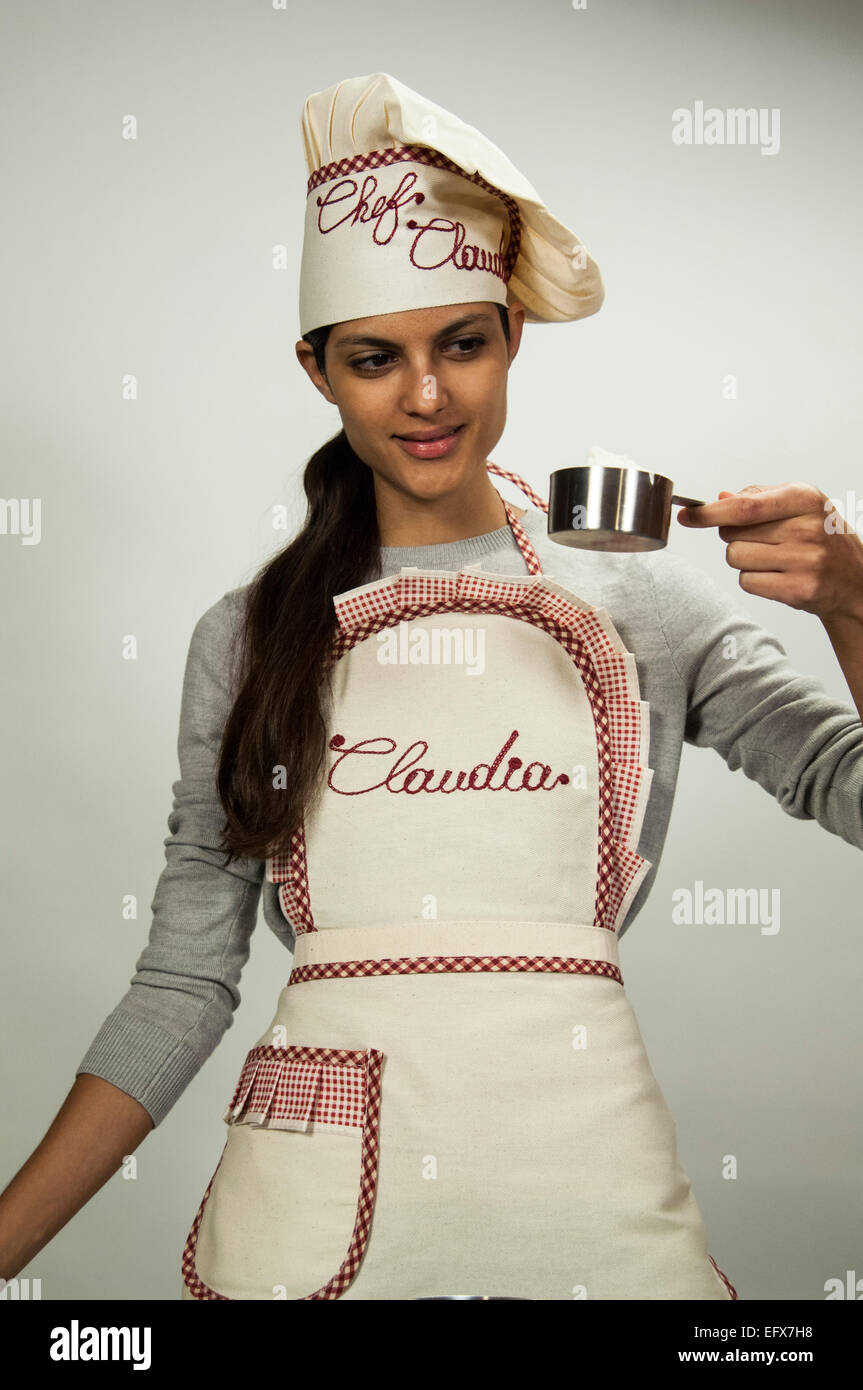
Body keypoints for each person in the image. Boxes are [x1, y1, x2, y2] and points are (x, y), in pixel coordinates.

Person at [2, 73, 862, 1302]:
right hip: (309, 1206)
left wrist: (849, 604)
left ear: (512, 332)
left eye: (460, 343)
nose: (424, 396)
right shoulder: (246, 639)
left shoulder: (638, 602)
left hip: (585, 1188)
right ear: (317, 371)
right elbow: (184, 983)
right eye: (373, 358)